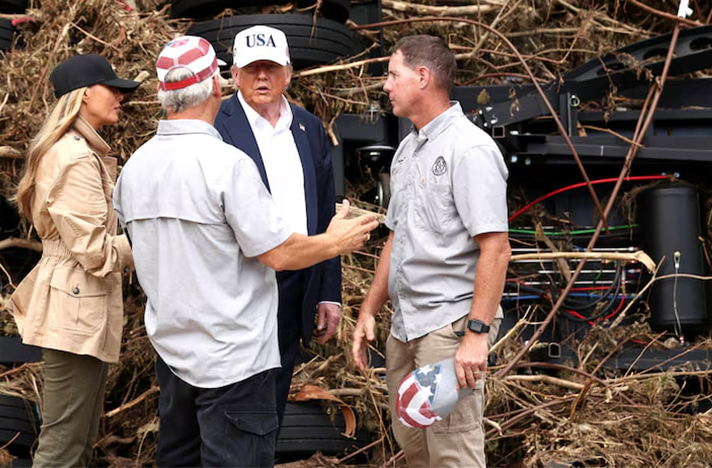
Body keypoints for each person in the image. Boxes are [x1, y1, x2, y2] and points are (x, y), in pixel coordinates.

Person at [113, 35, 378, 468]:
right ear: (220, 85)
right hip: (234, 359)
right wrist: (336, 241)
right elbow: (277, 253)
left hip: (175, 352)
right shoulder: (226, 165)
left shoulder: (135, 168)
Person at [350, 34, 511, 468]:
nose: (385, 85)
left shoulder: (470, 149)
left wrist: (476, 335)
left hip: (449, 327)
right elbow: (396, 238)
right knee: (415, 448)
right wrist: (369, 311)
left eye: (392, 74)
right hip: (406, 329)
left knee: (452, 451)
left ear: (422, 77)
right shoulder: (408, 149)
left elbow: (496, 249)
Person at [7, 53, 139, 468]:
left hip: (78, 305)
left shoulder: (81, 151)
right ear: (84, 95)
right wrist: (157, 242)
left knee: (77, 443)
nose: (120, 96)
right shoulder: (76, 157)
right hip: (75, 309)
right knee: (64, 448)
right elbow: (96, 252)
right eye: (112, 88)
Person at [213, 24, 340, 427]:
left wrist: (328, 292)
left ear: (288, 73)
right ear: (234, 74)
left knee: (275, 406)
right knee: (235, 410)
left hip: (296, 284)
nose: (261, 77)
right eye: (252, 69)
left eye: (270, 68)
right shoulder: (216, 124)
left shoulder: (309, 127)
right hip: (239, 285)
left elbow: (326, 214)